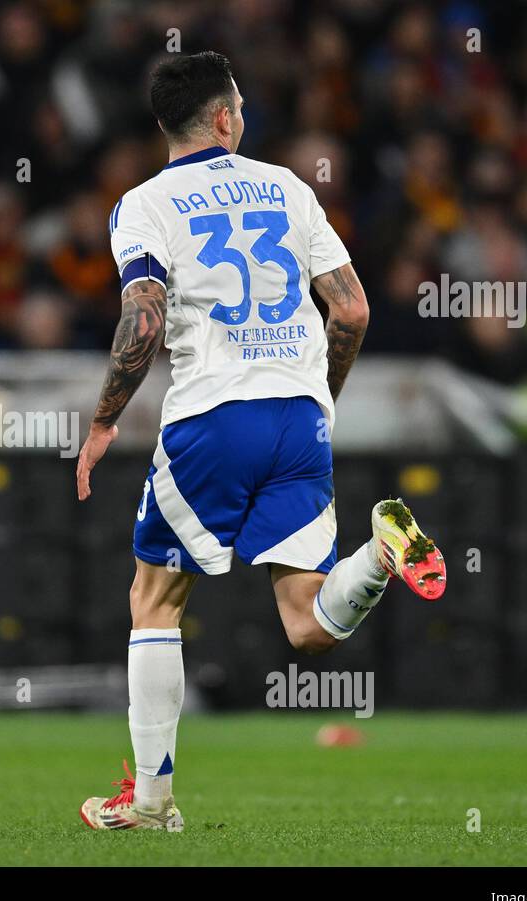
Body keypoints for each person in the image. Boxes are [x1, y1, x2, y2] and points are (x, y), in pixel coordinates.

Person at [73, 52, 446, 832]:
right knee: (307, 625)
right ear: (222, 118)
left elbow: (142, 318)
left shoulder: (143, 204)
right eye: (238, 105)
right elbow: (350, 311)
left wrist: (106, 417)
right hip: (299, 416)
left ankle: (150, 801)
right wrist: (322, 400)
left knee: (154, 599)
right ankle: (381, 557)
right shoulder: (289, 186)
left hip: (212, 415)